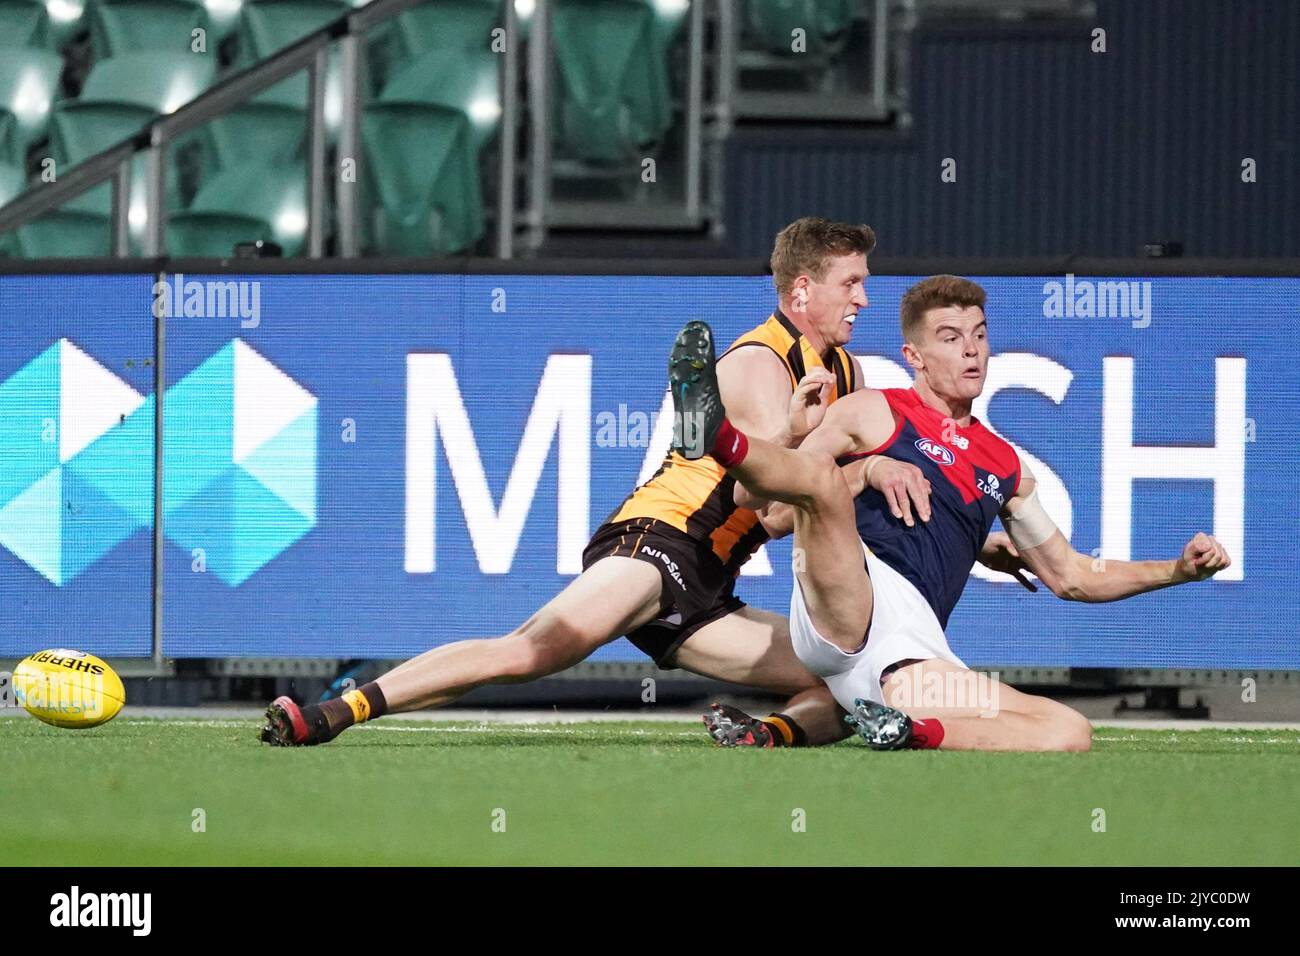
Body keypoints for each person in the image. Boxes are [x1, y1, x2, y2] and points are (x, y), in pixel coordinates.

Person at [260, 217, 943, 748]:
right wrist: (853, 468)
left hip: (709, 583)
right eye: (851, 282)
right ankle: (335, 710)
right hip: (664, 542)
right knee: (528, 652)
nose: (864, 296)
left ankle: (766, 734)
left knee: (843, 674)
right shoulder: (761, 363)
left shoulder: (846, 375)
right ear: (802, 290)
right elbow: (764, 508)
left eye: (863, 281)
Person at [671, 275, 1231, 752]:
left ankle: (902, 731)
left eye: (980, 336)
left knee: (1069, 731)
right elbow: (763, 511)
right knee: (821, 484)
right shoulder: (871, 411)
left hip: (907, 658)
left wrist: (1177, 572)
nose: (972, 350)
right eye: (951, 337)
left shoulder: (1005, 465)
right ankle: (716, 432)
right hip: (848, 602)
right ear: (913, 356)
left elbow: (1073, 577)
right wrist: (865, 471)